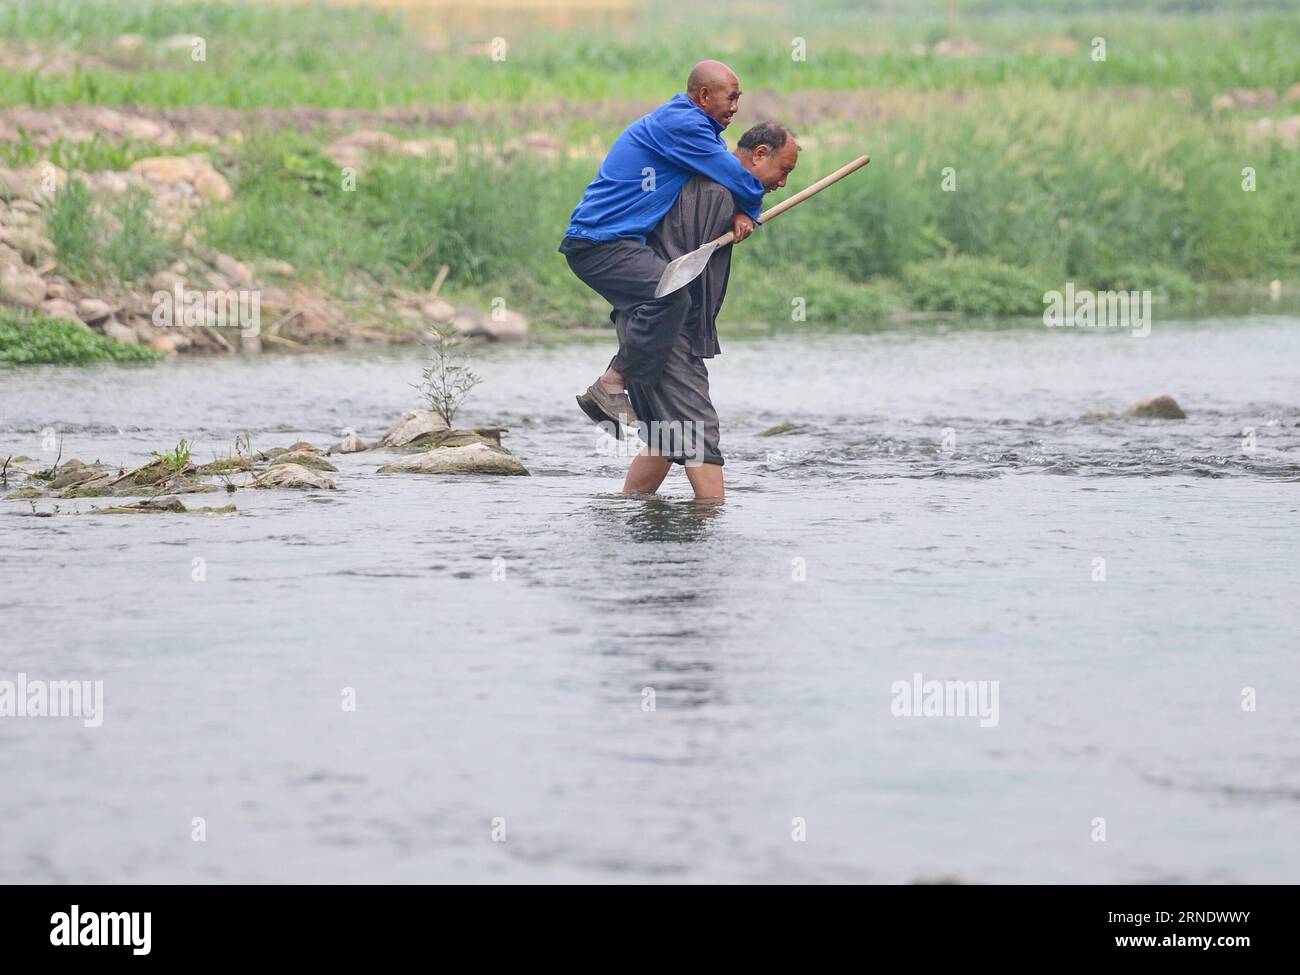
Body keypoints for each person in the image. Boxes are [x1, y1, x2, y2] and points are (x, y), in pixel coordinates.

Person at [560, 64, 798, 499]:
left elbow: (728, 175)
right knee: (674, 301)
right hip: (601, 245)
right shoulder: (689, 135)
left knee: (668, 440)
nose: (736, 106)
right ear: (703, 96)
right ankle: (614, 381)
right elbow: (734, 180)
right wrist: (747, 208)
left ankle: (631, 510)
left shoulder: (701, 142)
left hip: (625, 262)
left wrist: (745, 211)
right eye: (730, 96)